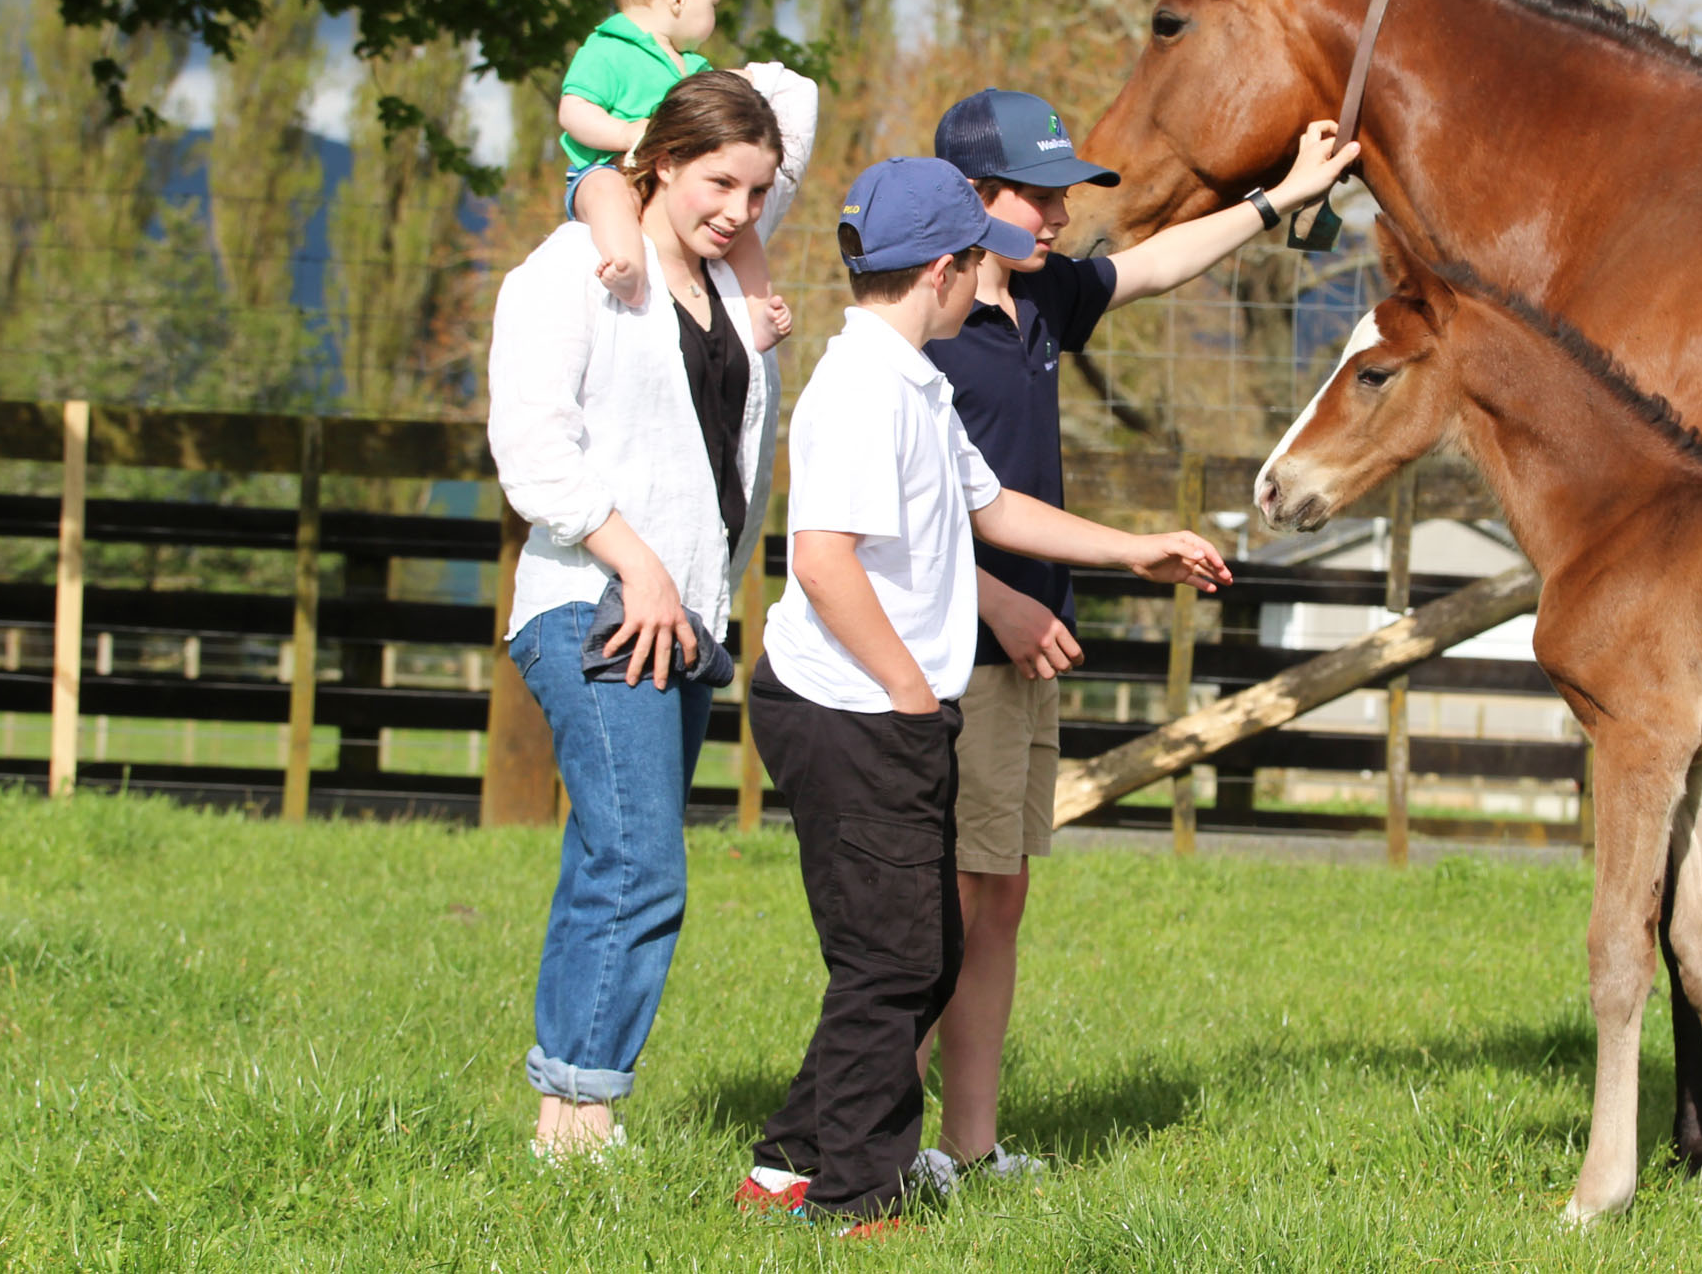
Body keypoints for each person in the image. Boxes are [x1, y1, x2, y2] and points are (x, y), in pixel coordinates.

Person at [733, 157, 1231, 1232]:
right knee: (895, 959)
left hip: (879, 706)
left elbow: (992, 505)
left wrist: (1134, 550)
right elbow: (822, 561)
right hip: (853, 712)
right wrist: (915, 697)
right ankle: (858, 1200)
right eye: (977, 257)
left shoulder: (910, 377)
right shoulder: (867, 390)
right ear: (947, 270)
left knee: (914, 951)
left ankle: (782, 1170)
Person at [914, 90, 1359, 1179]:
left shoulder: (1046, 298)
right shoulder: (921, 331)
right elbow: (898, 515)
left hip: (1028, 655)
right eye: (1040, 196)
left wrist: (1280, 200)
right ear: (973, 200)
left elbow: (1156, 265)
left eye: (1068, 196)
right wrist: (996, 600)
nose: (1062, 216)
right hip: (942, 652)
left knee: (1000, 894)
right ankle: (877, 1132)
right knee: (934, 910)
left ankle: (970, 1147)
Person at [488, 63, 816, 1160]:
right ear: (662, 163)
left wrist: (689, 591)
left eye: (761, 191)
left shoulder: (727, 296)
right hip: (595, 604)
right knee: (639, 863)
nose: (740, 209)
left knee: (616, 852)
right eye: (719, 181)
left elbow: (790, 86)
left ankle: (576, 1109)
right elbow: (534, 453)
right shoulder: (577, 269)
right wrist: (639, 566)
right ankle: (575, 1118)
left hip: (683, 615)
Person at [556, 0, 792, 351]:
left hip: (660, 182)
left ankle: (759, 309)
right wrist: (628, 136)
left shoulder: (692, 67)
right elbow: (574, 110)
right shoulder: (608, 48)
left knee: (741, 233)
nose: (714, 17)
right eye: (713, 4)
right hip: (608, 167)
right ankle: (627, 268)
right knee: (609, 197)